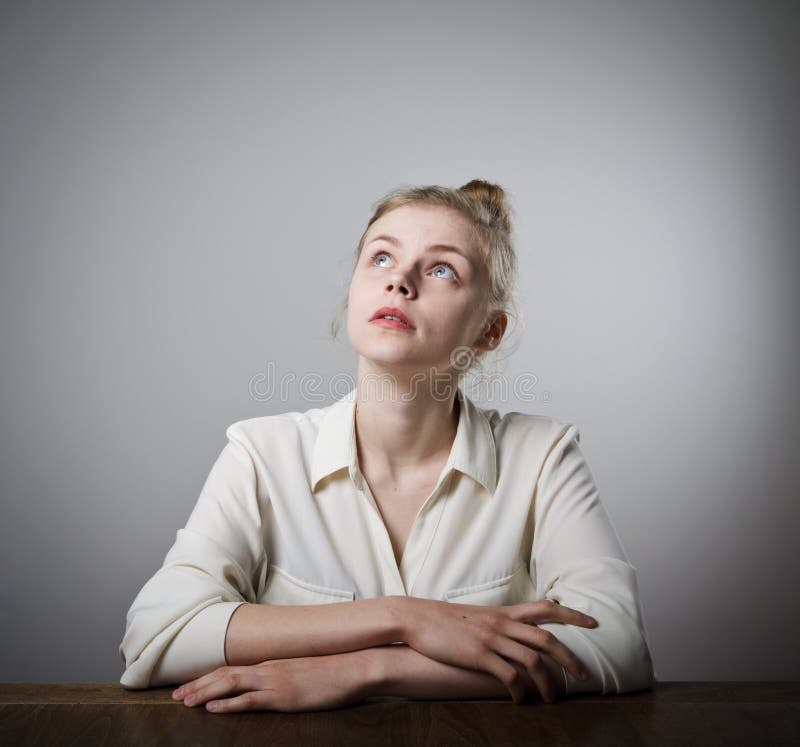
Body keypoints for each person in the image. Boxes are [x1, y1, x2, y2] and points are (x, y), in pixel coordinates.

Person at [118, 179, 656, 713]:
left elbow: (619, 646)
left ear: (489, 331)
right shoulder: (261, 454)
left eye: (442, 269)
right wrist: (403, 618)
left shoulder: (543, 456)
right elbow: (156, 633)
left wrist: (365, 669)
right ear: (352, 292)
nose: (399, 280)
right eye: (381, 258)